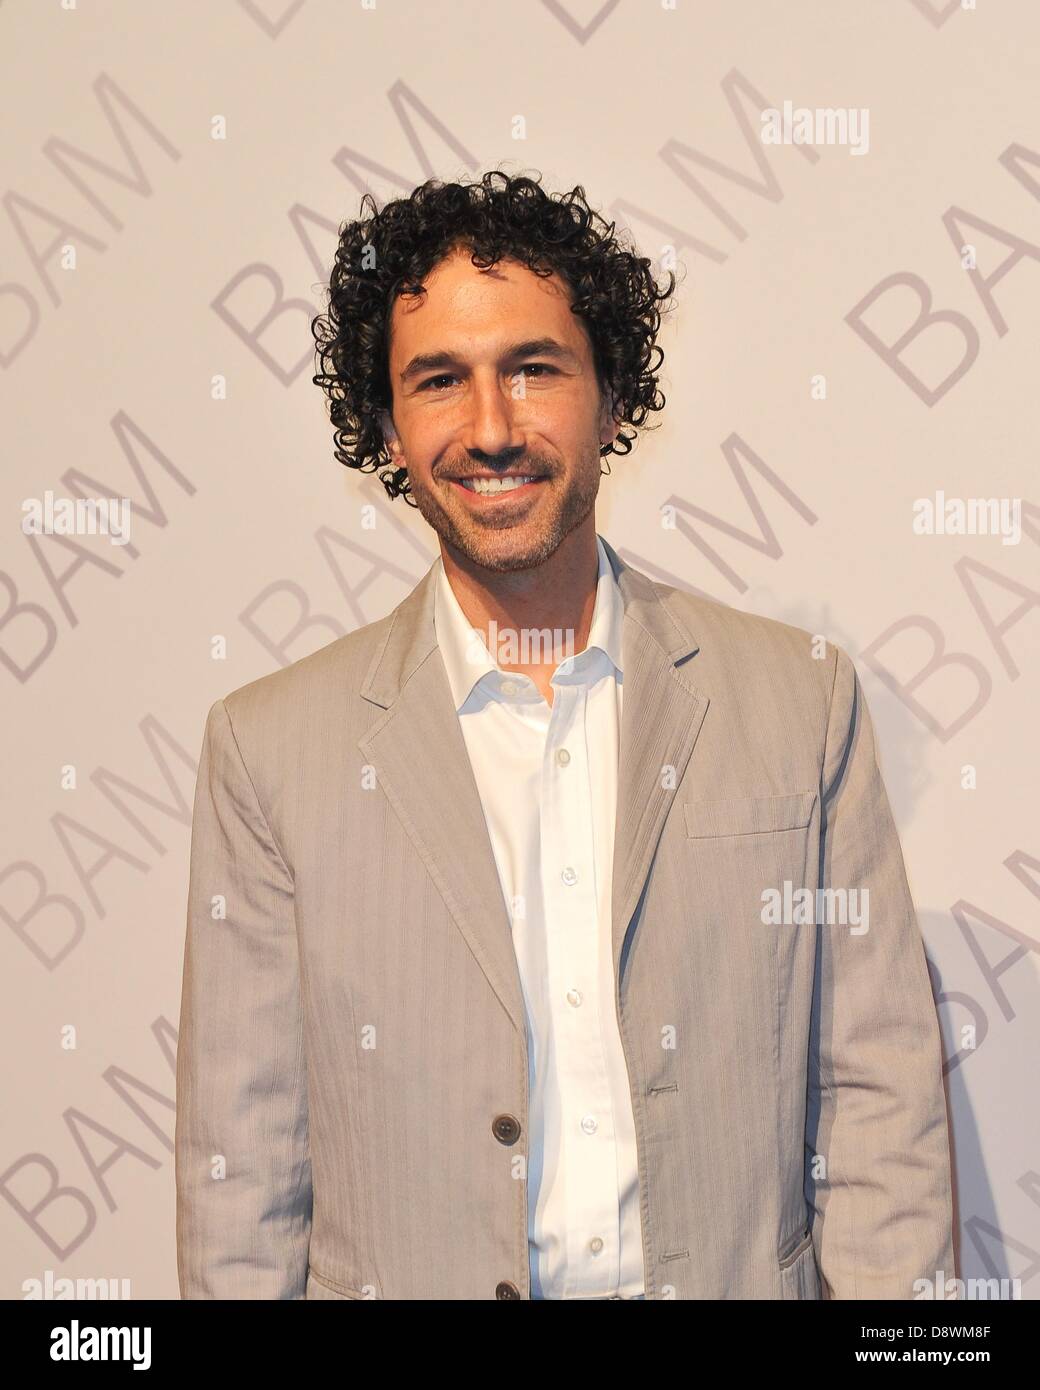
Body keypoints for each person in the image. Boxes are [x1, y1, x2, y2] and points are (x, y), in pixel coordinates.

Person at [175, 170, 956, 1300]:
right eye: (439, 381)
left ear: (612, 396)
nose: (491, 429)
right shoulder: (270, 751)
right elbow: (242, 1176)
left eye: (533, 369)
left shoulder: (799, 704)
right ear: (388, 428)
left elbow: (878, 1110)